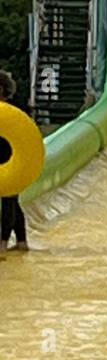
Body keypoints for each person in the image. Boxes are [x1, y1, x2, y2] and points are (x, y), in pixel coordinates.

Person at [0, 71, 29, 257]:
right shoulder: (17, 110)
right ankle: (21, 241)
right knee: (13, 202)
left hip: (10, 160)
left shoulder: (11, 112)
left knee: (8, 201)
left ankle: (2, 243)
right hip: (14, 159)